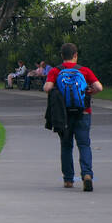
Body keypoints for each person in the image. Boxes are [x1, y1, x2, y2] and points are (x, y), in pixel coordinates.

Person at [44, 43, 102, 191]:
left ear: (62, 56)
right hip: (83, 112)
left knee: (66, 145)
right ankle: (87, 174)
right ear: (75, 55)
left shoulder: (56, 71)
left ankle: (68, 180)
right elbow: (99, 87)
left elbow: (47, 88)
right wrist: (88, 92)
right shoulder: (84, 70)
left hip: (64, 115)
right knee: (84, 144)